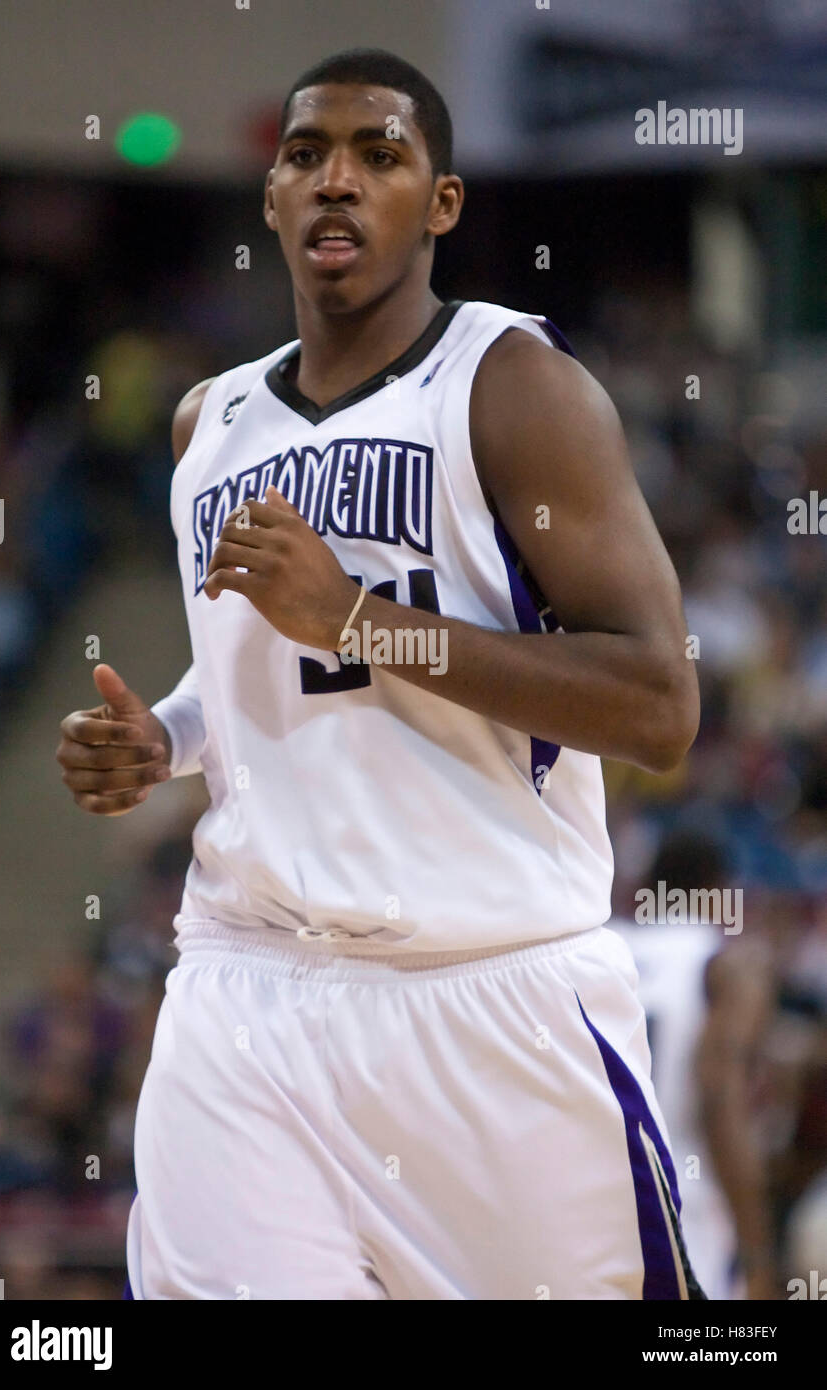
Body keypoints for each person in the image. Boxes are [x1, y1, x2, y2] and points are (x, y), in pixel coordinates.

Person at [56, 48, 701, 1300]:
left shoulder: (514, 386)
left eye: (378, 155)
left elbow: (656, 707)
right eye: (306, 156)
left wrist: (358, 618)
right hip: (246, 990)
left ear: (441, 204)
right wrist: (171, 741)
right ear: (271, 200)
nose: (335, 182)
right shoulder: (210, 423)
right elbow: (260, 675)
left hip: (487, 991)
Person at [612, 830, 777, 1300]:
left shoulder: (601, 947)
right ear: (719, 888)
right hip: (684, 1205)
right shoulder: (726, 963)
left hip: (587, 1199)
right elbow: (719, 1100)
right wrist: (758, 1252)